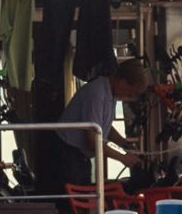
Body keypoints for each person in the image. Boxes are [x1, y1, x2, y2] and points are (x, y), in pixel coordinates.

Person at [28, 59, 150, 197]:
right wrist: (123, 158)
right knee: (71, 207)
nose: (129, 98)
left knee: (84, 202)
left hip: (80, 158)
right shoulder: (96, 92)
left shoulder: (112, 94)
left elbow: (104, 126)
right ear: (123, 82)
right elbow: (92, 140)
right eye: (130, 93)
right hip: (67, 154)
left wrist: (124, 143)